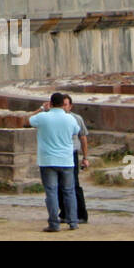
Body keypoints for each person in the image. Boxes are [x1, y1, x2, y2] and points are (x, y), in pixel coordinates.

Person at [28, 92, 81, 232]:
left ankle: (54, 223)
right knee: (69, 191)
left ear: (50, 103)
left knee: (51, 192)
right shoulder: (70, 119)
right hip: (66, 159)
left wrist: (41, 108)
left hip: (48, 159)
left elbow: (28, 119)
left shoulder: (43, 117)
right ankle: (73, 221)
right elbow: (76, 131)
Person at [61, 94, 90, 224]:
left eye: (65, 104)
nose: (63, 107)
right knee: (59, 185)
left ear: (70, 106)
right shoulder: (53, 118)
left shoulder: (76, 119)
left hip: (71, 153)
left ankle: (81, 214)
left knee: (74, 184)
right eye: (61, 104)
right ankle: (65, 212)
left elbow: (83, 138)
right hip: (58, 153)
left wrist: (85, 157)